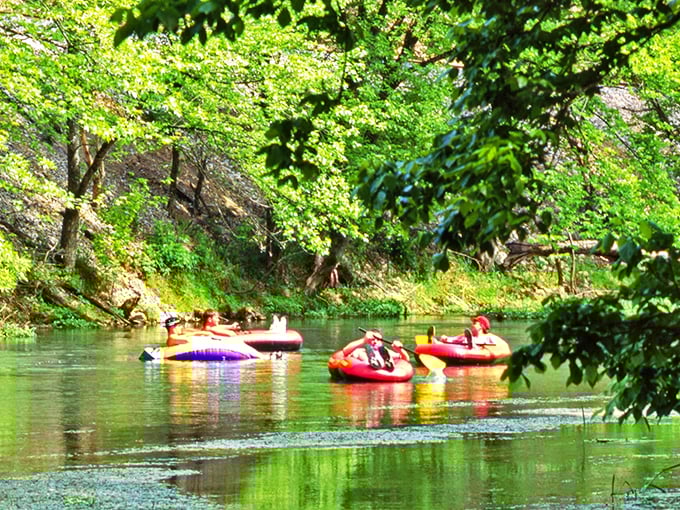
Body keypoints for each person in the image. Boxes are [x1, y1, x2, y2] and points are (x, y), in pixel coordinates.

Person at [341, 329, 409, 371]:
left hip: (383, 365)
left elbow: (405, 359)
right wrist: (363, 340)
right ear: (367, 340)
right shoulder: (360, 351)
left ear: (382, 341)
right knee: (360, 354)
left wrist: (400, 350)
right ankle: (373, 361)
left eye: (378, 340)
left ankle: (387, 364)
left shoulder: (386, 351)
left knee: (386, 353)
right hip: (365, 367)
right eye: (372, 339)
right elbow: (345, 352)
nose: (375, 341)